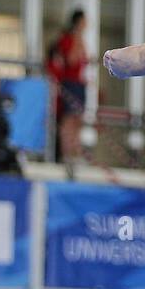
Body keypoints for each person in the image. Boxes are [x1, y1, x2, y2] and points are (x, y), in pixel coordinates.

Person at [47, 9, 89, 175]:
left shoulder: (80, 40)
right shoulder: (68, 39)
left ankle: (76, 153)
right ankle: (67, 154)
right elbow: (71, 60)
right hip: (69, 83)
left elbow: (84, 61)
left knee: (78, 121)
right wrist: (77, 40)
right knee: (68, 121)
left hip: (79, 83)